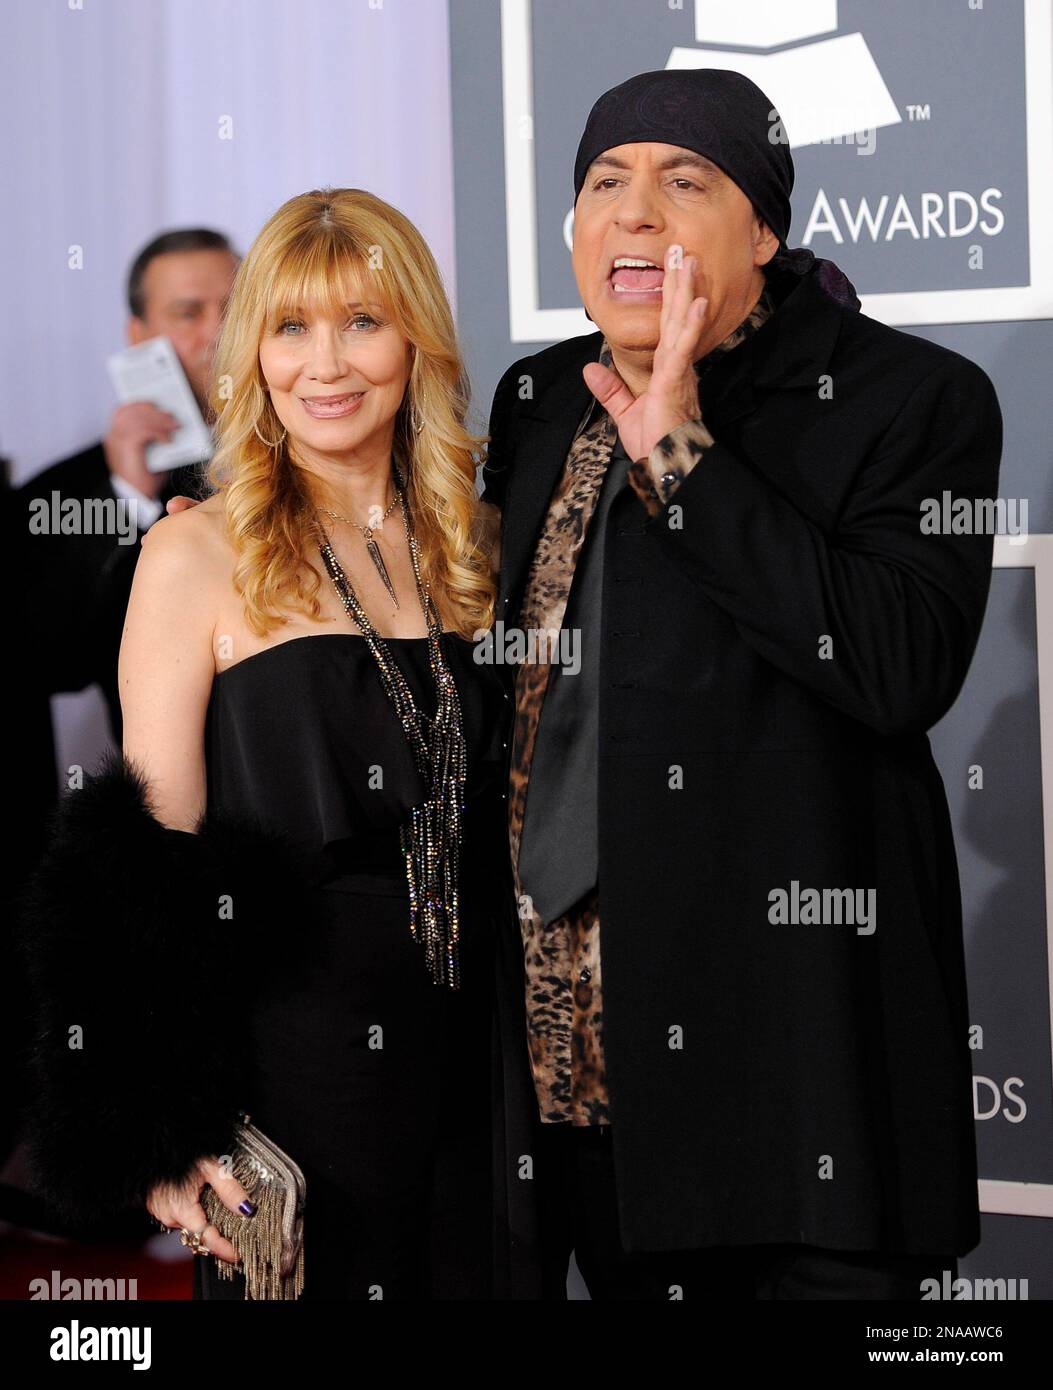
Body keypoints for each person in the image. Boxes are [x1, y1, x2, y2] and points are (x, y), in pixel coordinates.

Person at [481, 69, 1003, 1299]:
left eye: (685, 181)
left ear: (762, 231)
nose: (634, 212)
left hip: (791, 1092)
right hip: (560, 1081)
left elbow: (895, 666)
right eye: (604, 182)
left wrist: (683, 450)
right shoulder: (538, 398)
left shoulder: (911, 398)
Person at [17, 188, 541, 1300]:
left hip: (485, 1060)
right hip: (297, 1067)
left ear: (419, 341)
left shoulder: (483, 545)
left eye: (363, 320)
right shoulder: (193, 554)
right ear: (252, 353)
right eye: (291, 327)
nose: (326, 362)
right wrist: (160, 1127)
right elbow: (139, 865)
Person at [15, 228, 240, 746]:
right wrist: (128, 499)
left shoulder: (317, 448)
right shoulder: (64, 491)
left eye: (233, 307)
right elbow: (50, 661)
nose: (218, 332)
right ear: (138, 335)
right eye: (189, 313)